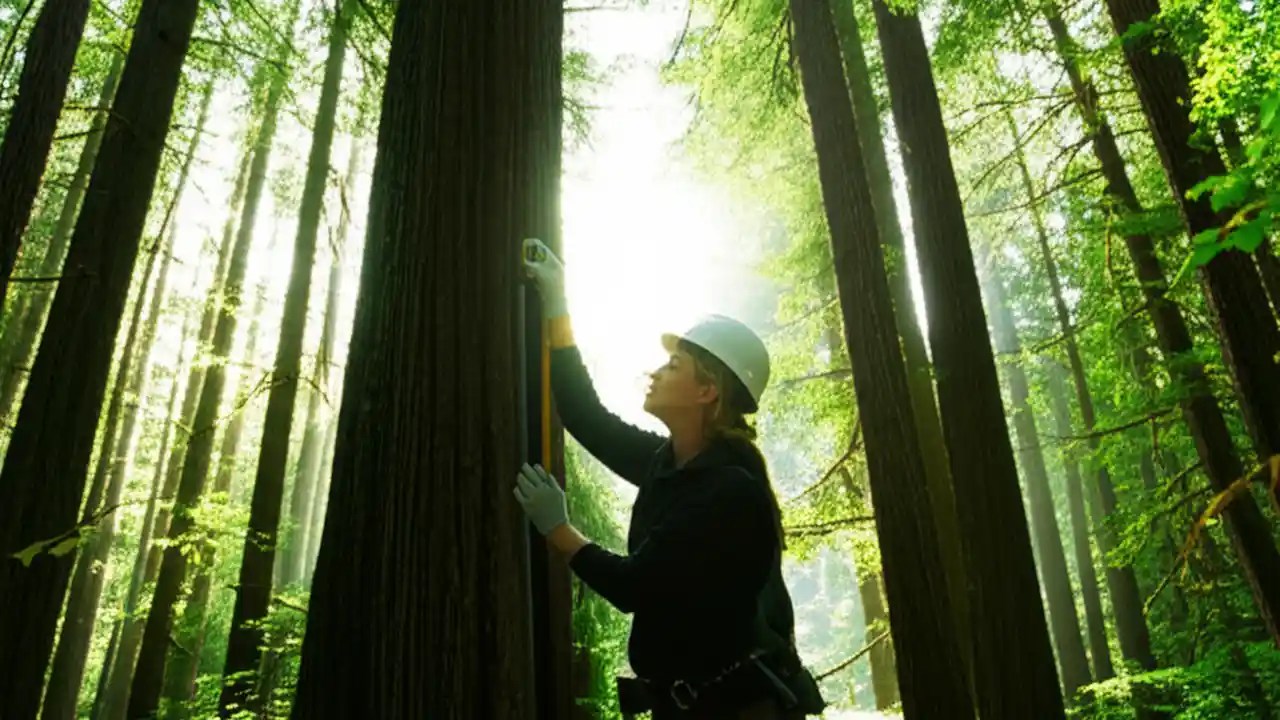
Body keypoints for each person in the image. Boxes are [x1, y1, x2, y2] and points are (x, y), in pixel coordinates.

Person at [513, 239, 825, 720]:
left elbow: (633, 586)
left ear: (706, 391)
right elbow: (585, 415)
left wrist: (559, 529)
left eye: (673, 365)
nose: (654, 372)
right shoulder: (669, 461)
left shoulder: (728, 492)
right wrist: (557, 301)